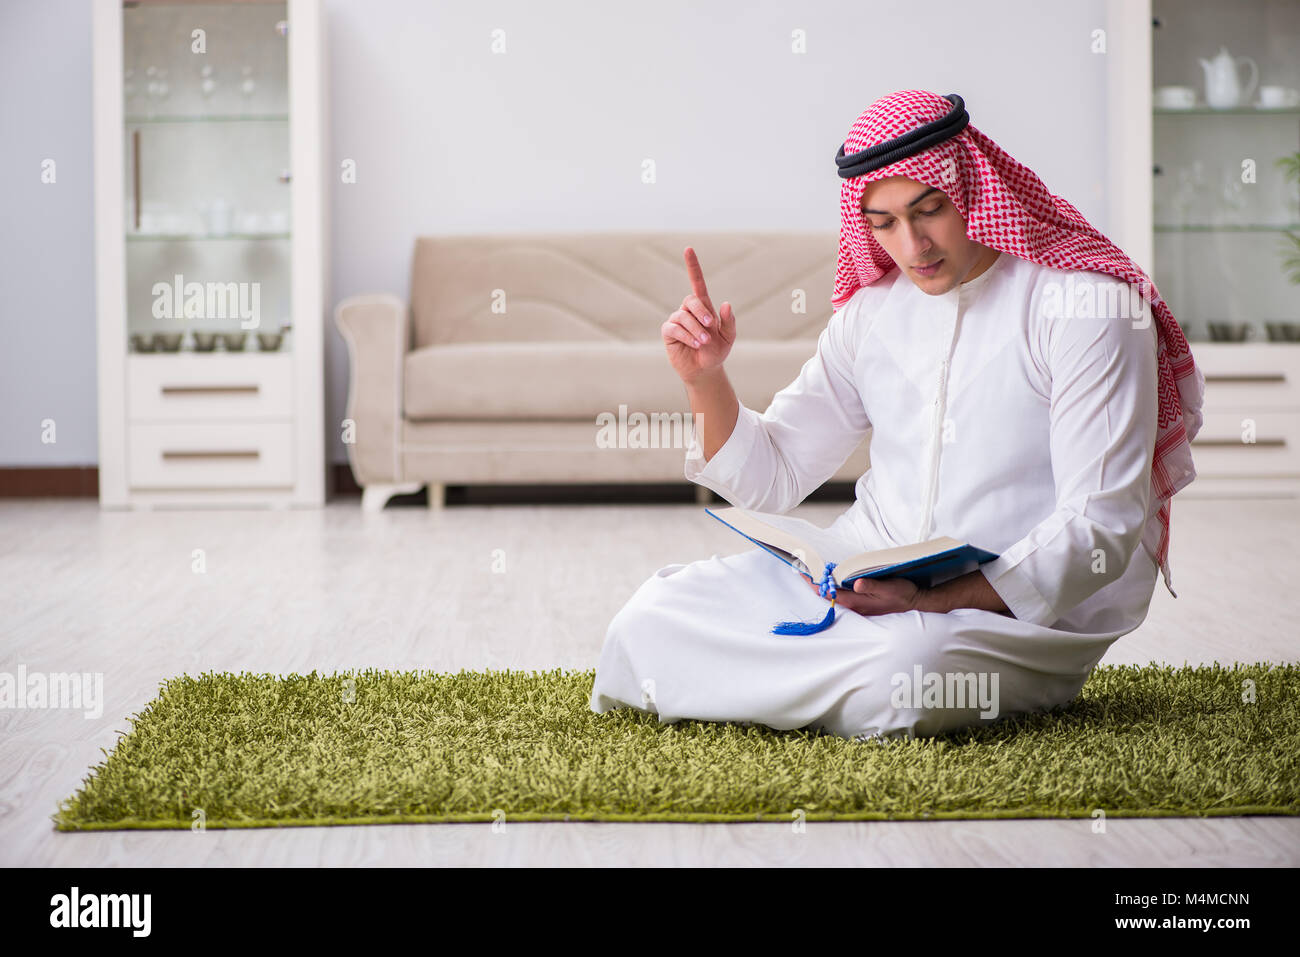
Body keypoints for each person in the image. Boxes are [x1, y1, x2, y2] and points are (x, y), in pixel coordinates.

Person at [588, 90, 1206, 742]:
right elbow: (773, 475)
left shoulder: (1086, 308)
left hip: (1009, 613)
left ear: (971, 186)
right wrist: (705, 378)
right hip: (863, 576)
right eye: (883, 223)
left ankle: (780, 674)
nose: (912, 245)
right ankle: (824, 671)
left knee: (908, 674)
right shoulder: (873, 312)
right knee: (649, 617)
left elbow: (1100, 526)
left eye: (928, 210)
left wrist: (930, 600)